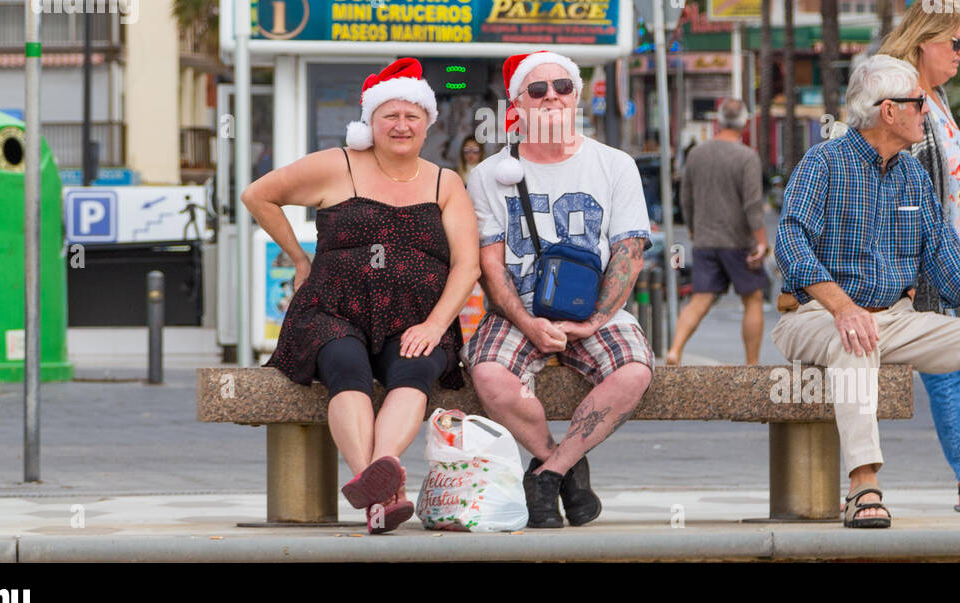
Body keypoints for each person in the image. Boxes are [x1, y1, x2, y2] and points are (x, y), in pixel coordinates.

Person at [772, 55, 960, 527]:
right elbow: (790, 241)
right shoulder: (822, 162)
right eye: (919, 104)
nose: (926, 112)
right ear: (889, 111)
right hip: (813, 316)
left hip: (897, 317)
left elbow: (943, 251)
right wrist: (844, 308)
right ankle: (862, 486)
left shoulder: (912, 174)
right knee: (857, 335)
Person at [242, 57, 480, 533]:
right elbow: (258, 195)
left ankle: (377, 480)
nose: (401, 124)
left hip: (416, 318)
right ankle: (384, 489)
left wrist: (435, 325)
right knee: (346, 370)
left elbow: (467, 265)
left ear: (427, 125)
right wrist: (298, 258)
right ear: (369, 121)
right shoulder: (337, 165)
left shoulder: (444, 183)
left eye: (412, 116)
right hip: (333, 310)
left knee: (412, 370)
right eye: (389, 115)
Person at [464, 50, 654, 528]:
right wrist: (527, 322)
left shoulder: (615, 164)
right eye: (537, 89)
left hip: (594, 311)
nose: (551, 96)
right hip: (517, 311)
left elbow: (629, 251)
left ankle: (547, 475)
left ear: (577, 97)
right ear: (518, 104)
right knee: (487, 373)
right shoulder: (488, 176)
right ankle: (565, 465)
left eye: (563, 87)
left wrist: (592, 321)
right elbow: (490, 262)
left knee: (633, 372)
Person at [879, 0, 960, 512]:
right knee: (946, 368)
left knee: (957, 365)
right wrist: (915, 269)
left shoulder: (936, 95)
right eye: (955, 42)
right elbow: (898, 189)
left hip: (955, 259)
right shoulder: (903, 94)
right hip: (927, 266)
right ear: (925, 41)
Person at [666, 98, 769, 366]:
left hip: (704, 240)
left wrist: (692, 229)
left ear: (718, 121)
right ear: (745, 123)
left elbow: (685, 198)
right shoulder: (747, 157)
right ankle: (752, 363)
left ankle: (675, 349)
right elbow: (753, 205)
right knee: (753, 298)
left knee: (699, 299)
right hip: (738, 241)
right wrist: (761, 242)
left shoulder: (696, 154)